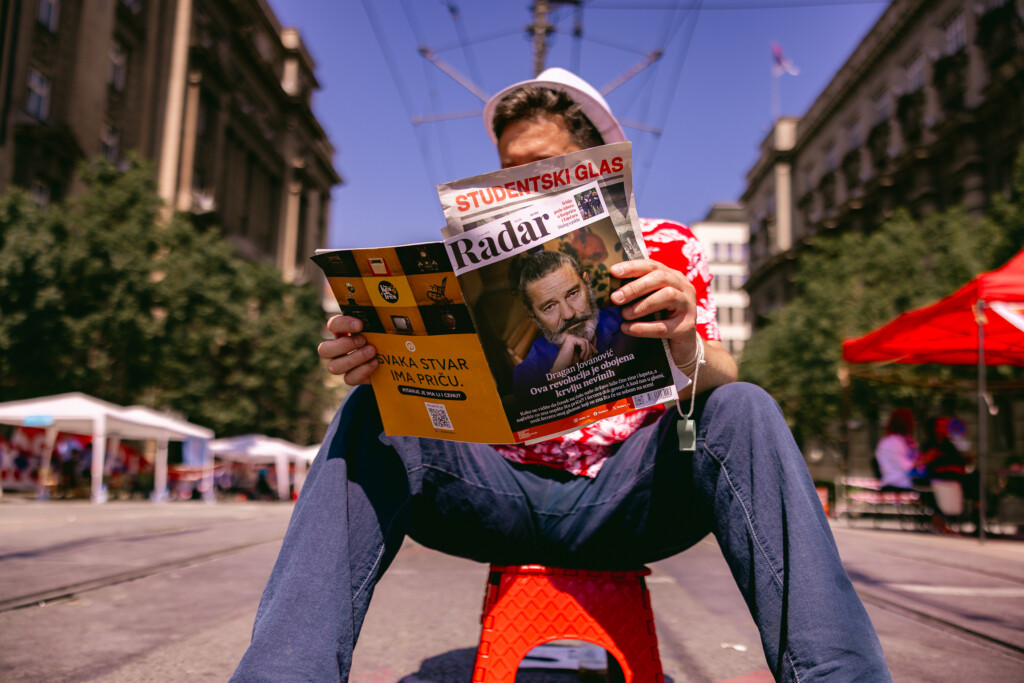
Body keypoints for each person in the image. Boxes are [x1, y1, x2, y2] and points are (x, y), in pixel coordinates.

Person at [231, 68, 890, 681]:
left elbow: (719, 373)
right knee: (371, 415)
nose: (522, 185)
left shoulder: (664, 245)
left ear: (593, 162)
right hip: (495, 489)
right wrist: (373, 361)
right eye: (510, 172)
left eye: (542, 168)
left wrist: (685, 338)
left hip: (630, 492)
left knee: (743, 405)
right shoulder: (471, 270)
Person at [509, 249, 631, 404]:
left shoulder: (630, 320)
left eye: (573, 293)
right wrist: (557, 378)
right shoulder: (526, 374)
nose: (568, 314)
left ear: (586, 282)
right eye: (549, 306)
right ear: (532, 313)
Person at [875, 408, 917, 491]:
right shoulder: (893, 442)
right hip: (898, 483)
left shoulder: (901, 440)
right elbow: (905, 466)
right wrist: (924, 460)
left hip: (902, 481)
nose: (914, 423)